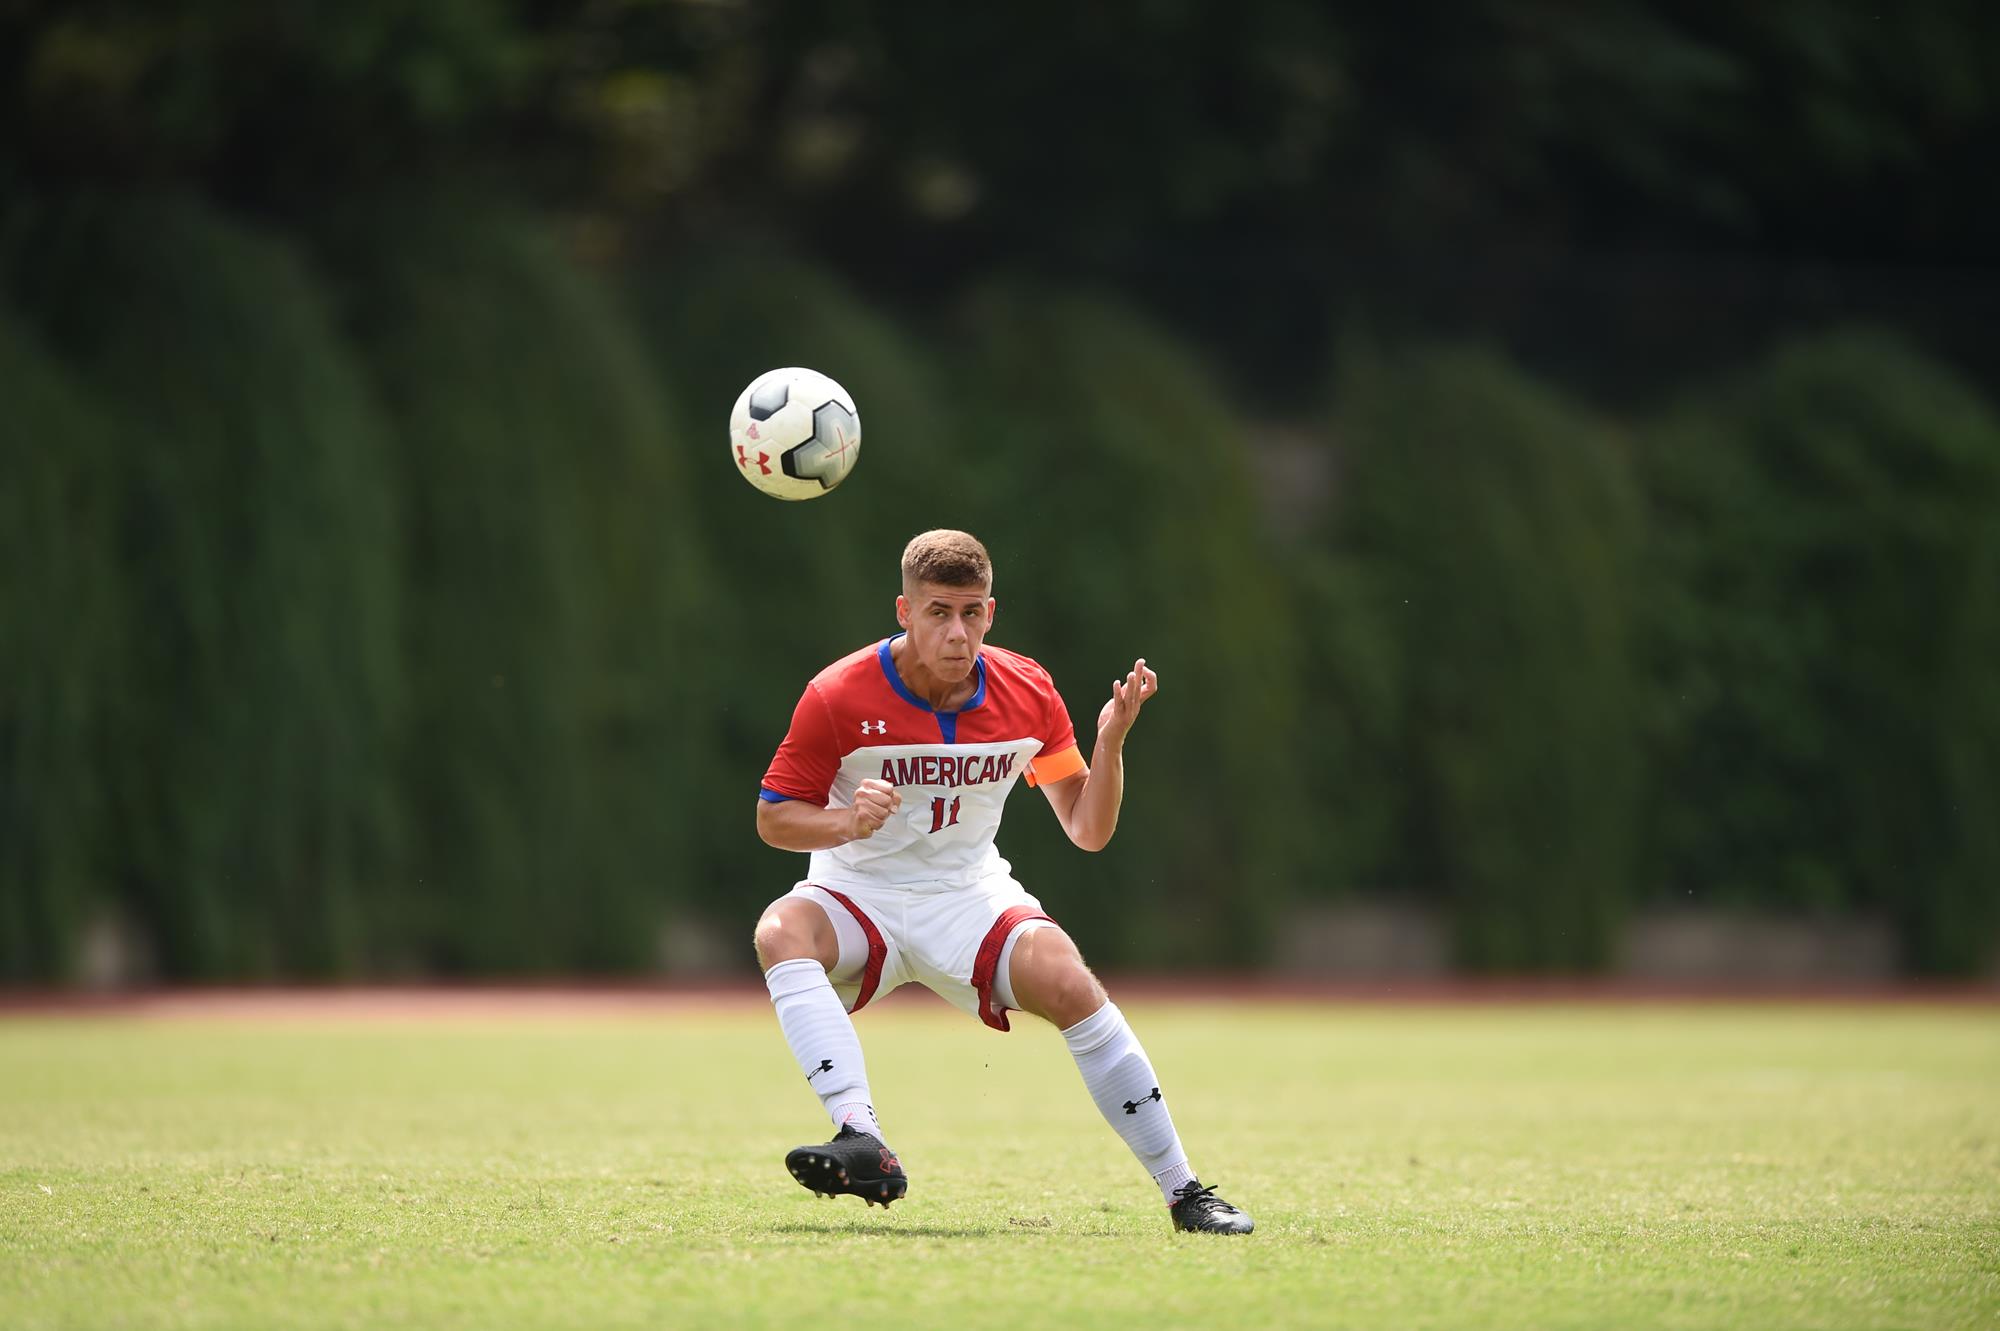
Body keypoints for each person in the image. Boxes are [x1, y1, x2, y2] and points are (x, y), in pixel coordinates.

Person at [752, 529, 1253, 1235]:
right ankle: (860, 1135)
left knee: (1074, 983)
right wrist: (842, 822)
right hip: (857, 889)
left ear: (992, 611)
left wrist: (1109, 745)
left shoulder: (1028, 691)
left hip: (967, 893)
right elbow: (774, 819)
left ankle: (1186, 1192)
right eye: (937, 612)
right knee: (780, 931)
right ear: (904, 610)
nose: (957, 632)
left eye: (972, 612)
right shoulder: (836, 694)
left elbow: (1087, 826)